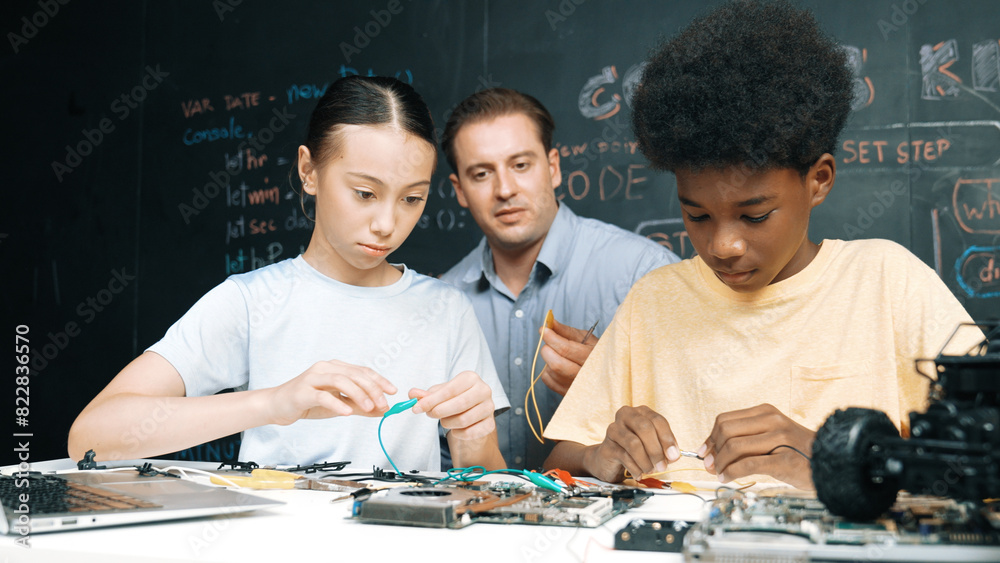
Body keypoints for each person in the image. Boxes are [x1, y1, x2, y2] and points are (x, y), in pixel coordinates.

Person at [542, 0, 979, 489]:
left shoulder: (889, 284)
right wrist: (602, 457)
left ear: (819, 180)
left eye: (755, 215)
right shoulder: (654, 302)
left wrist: (830, 459)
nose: (723, 245)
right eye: (697, 215)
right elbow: (557, 464)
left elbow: (986, 456)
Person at [68, 76, 508, 472]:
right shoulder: (250, 301)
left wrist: (474, 441)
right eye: (364, 193)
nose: (386, 224)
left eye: (412, 198)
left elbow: (486, 485)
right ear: (308, 171)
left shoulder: (446, 309)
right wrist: (276, 402)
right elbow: (92, 436)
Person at [440, 88, 679, 469]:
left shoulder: (641, 273)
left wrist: (611, 385)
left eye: (520, 165)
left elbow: (694, 413)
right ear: (460, 191)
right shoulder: (445, 301)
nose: (505, 189)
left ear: (553, 167)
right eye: (482, 174)